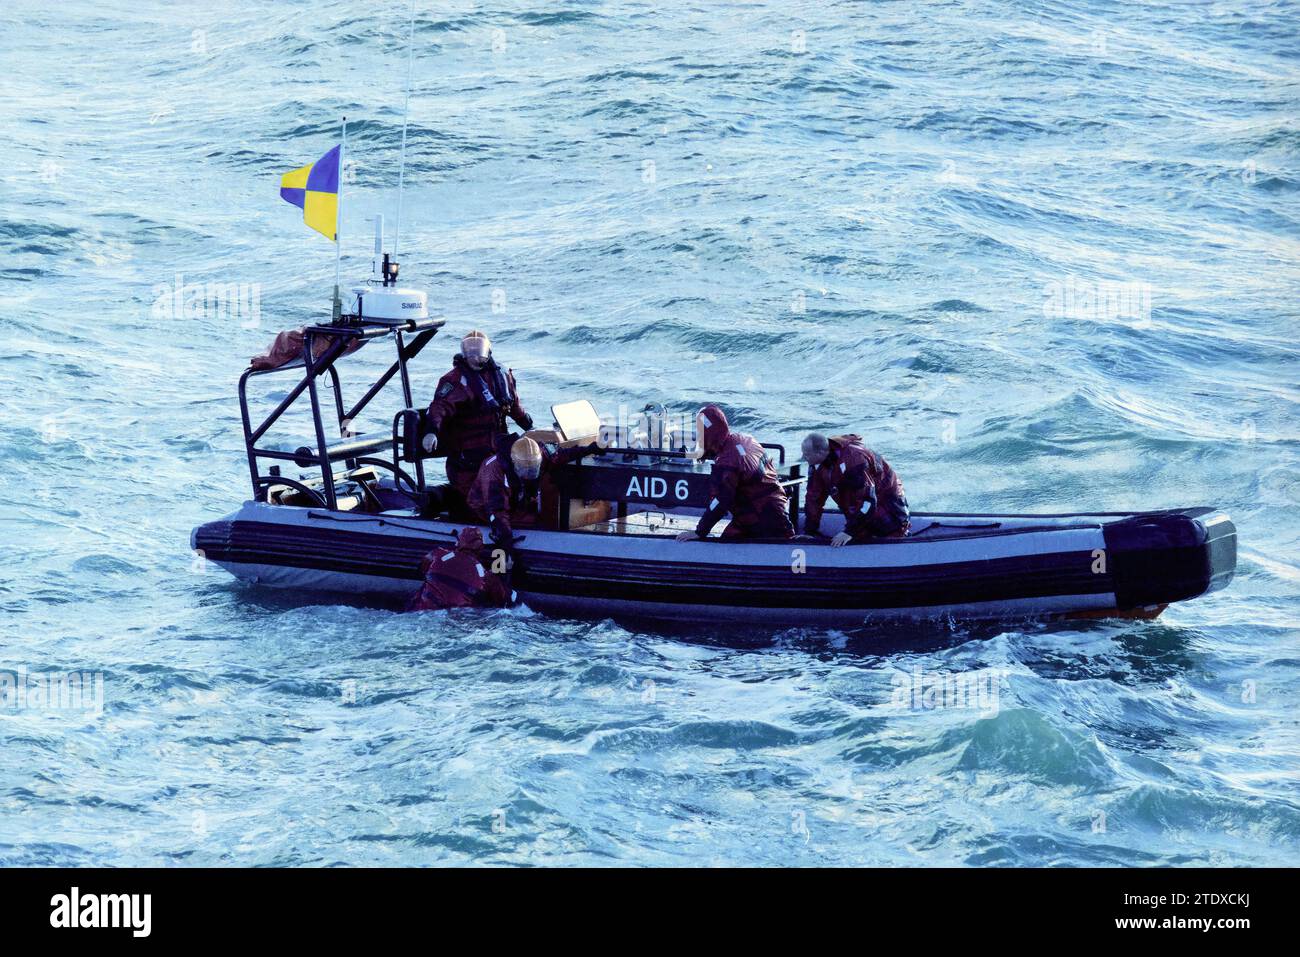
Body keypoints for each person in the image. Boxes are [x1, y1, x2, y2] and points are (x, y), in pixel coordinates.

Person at [422, 330, 533, 510]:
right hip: (467, 458)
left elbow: (514, 405)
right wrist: (431, 432)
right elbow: (439, 407)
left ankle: (518, 509)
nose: (475, 358)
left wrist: (529, 426)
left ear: (488, 352)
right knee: (480, 498)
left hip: (497, 449)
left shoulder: (502, 375)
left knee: (516, 481)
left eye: (478, 352)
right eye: (470, 353)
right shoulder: (455, 380)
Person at [675, 404, 794, 542]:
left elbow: (720, 501)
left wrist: (700, 531)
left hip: (760, 516)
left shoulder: (727, 462)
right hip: (772, 506)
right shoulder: (746, 439)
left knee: (726, 545)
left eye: (700, 431)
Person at [467, 435, 600, 546]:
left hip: (517, 498)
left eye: (533, 468)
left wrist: (589, 449)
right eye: (525, 470)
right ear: (514, 462)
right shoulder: (493, 470)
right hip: (484, 507)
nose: (529, 474)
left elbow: (562, 454)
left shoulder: (538, 453)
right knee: (521, 524)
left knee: (536, 518)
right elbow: (496, 509)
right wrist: (506, 542)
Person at [801, 433, 909, 545]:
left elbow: (868, 500)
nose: (804, 458)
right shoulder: (816, 465)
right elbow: (813, 499)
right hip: (857, 502)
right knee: (859, 523)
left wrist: (849, 532)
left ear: (820, 453)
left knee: (887, 527)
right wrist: (810, 531)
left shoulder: (854, 459)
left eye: (807, 455)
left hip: (886, 500)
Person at [405, 526, 512, 612]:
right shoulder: (487, 576)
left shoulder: (437, 554)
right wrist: (505, 571)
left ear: (458, 543)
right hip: (455, 619)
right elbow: (504, 601)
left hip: (420, 610)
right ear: (481, 548)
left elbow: (421, 569)